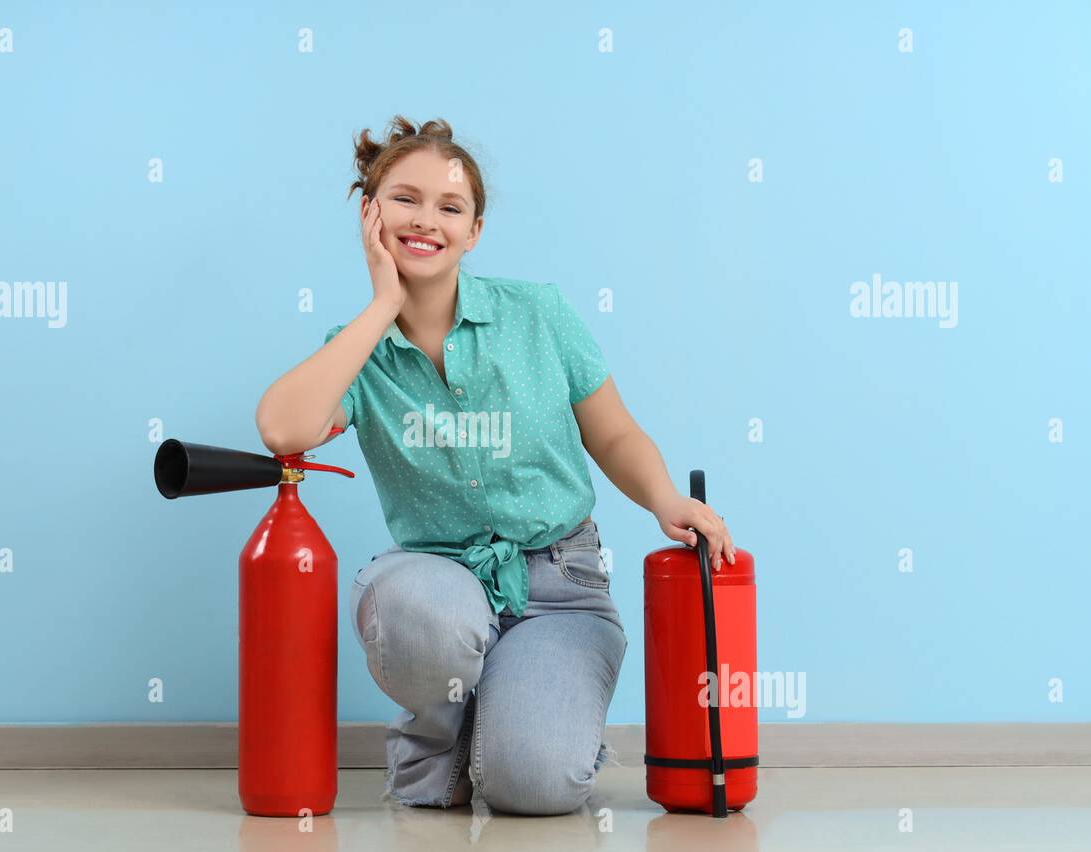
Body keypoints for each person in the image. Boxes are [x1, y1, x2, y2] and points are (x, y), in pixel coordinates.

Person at [256, 115, 735, 816]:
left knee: (532, 786)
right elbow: (281, 427)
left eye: (450, 207)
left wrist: (665, 499)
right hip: (436, 582)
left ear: (474, 231)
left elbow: (615, 436)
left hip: (560, 586)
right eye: (404, 199)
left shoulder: (539, 314)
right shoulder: (357, 354)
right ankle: (438, 727)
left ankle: (510, 713)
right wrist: (384, 303)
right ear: (370, 213)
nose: (426, 220)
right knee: (431, 618)